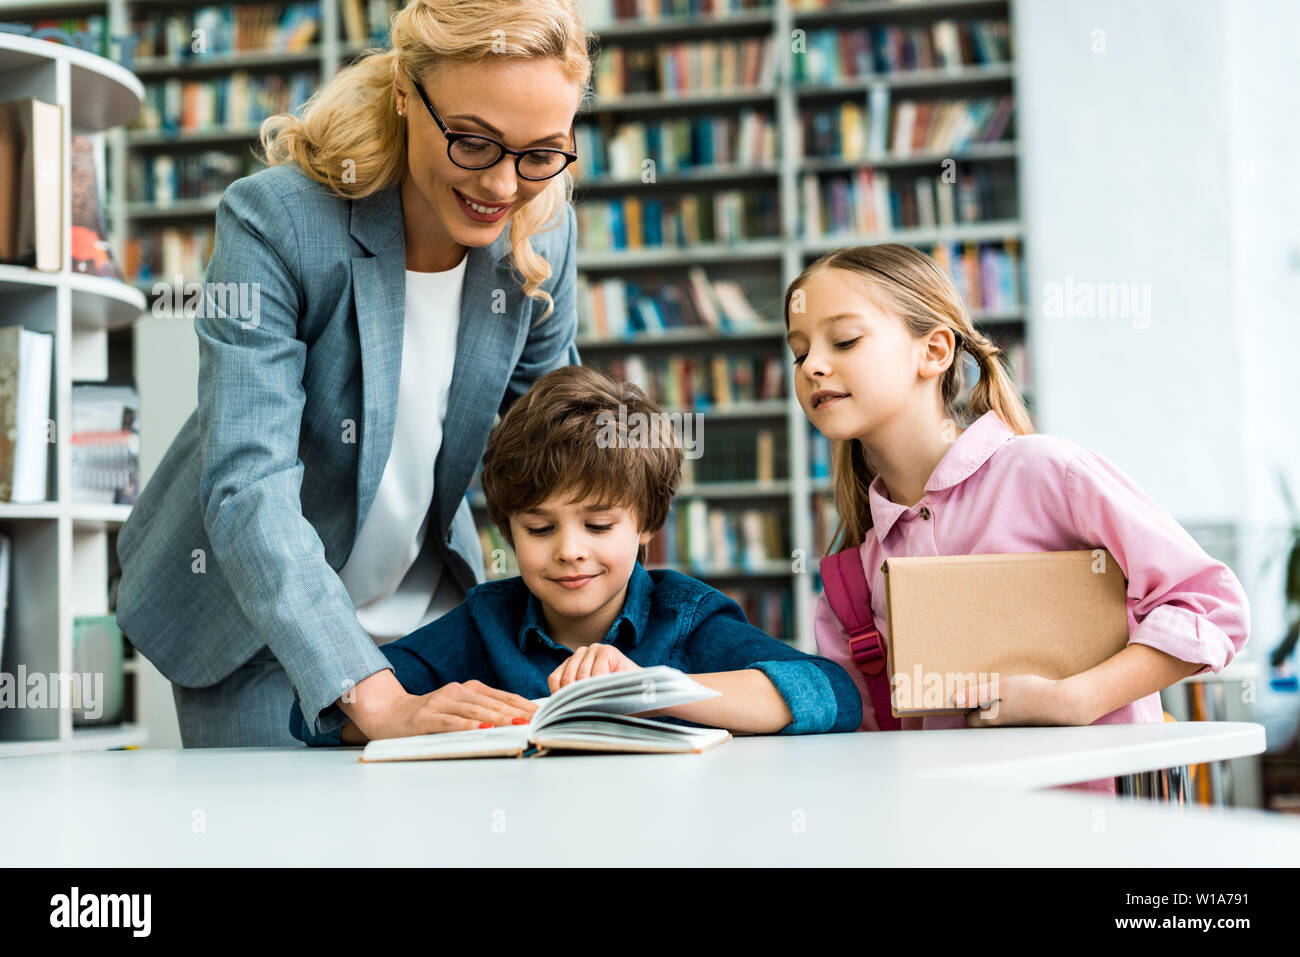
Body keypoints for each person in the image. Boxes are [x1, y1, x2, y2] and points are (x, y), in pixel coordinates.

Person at [114, 0, 593, 747]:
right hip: (257, 625)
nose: (503, 186)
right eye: (473, 142)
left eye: (539, 153)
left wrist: (618, 629)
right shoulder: (278, 220)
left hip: (431, 612)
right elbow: (249, 482)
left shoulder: (544, 232)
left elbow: (571, 461)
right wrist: (376, 700)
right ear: (406, 89)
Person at [784, 243, 1250, 795]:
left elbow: (1212, 607)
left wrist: (1077, 698)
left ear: (933, 351)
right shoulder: (850, 580)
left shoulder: (1047, 473)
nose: (813, 365)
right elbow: (867, 753)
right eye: (798, 352)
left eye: (845, 340)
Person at [289, 366, 863, 745]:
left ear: (647, 523)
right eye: (539, 528)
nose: (569, 552)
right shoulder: (486, 620)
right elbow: (315, 715)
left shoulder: (684, 616)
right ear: (509, 531)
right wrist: (412, 717)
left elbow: (835, 695)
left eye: (598, 524)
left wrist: (658, 689)